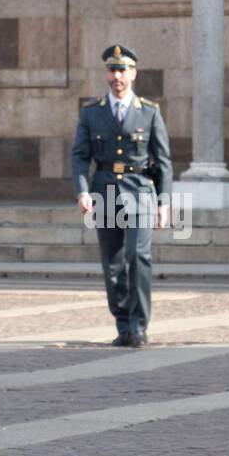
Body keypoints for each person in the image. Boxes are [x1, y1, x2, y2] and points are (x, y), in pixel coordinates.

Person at [71, 44, 172, 348]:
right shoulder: (92, 112)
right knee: (112, 262)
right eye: (112, 70)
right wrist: (82, 191)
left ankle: (140, 325)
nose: (117, 76)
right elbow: (79, 155)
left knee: (136, 256)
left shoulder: (150, 111)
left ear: (133, 73)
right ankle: (123, 324)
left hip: (140, 190)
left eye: (122, 70)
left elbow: (163, 160)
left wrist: (163, 203)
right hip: (104, 191)